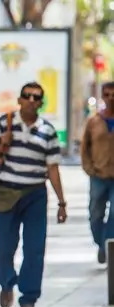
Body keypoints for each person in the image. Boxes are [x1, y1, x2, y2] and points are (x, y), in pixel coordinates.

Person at [0, 82, 67, 307]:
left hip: (35, 195)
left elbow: (52, 168)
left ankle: (29, 298)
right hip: (6, 192)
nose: (31, 100)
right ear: (19, 100)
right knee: (3, 244)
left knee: (35, 248)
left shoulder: (48, 131)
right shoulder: (4, 123)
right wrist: (3, 143)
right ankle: (7, 281)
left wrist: (62, 203)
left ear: (41, 103)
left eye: (36, 97)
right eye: (27, 96)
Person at [81, 81, 114, 264]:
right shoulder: (94, 121)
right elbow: (85, 147)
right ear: (102, 97)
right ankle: (102, 244)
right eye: (107, 94)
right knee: (95, 215)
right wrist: (89, 168)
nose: (111, 98)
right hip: (98, 176)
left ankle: (107, 248)